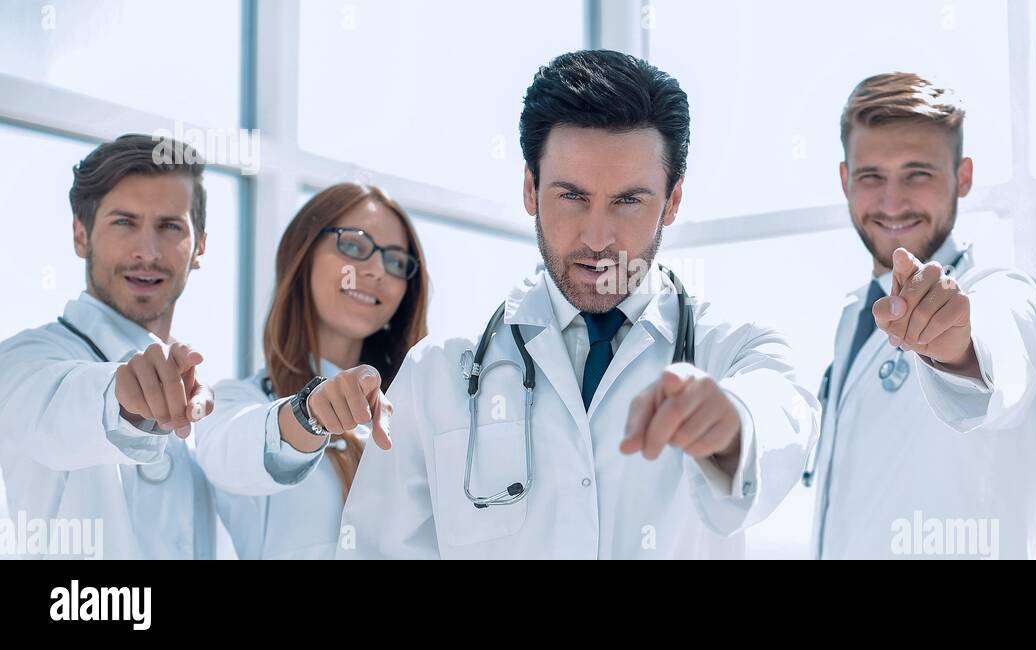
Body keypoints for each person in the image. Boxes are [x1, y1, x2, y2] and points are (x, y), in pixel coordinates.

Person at [339, 49, 816, 559]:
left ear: (673, 200)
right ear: (531, 189)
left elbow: (781, 411)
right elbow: (374, 549)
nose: (597, 237)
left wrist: (729, 427)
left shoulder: (733, 349)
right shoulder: (438, 373)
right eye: (572, 196)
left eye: (628, 200)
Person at [808, 73, 1036, 560]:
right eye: (871, 177)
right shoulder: (851, 321)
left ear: (962, 177)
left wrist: (956, 350)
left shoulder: (1003, 293)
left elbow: (996, 344)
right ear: (845, 180)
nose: (892, 202)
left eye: (918, 173)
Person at [0, 134, 228, 559]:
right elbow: (57, 403)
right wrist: (123, 395)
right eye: (124, 223)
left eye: (170, 226)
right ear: (81, 235)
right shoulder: (21, 361)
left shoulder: (202, 393)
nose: (148, 251)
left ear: (199, 247)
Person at [196, 183, 429, 559]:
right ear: (301, 254)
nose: (375, 271)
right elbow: (231, 456)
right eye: (353, 245)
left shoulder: (417, 417)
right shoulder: (240, 401)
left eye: (396, 262)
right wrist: (311, 413)